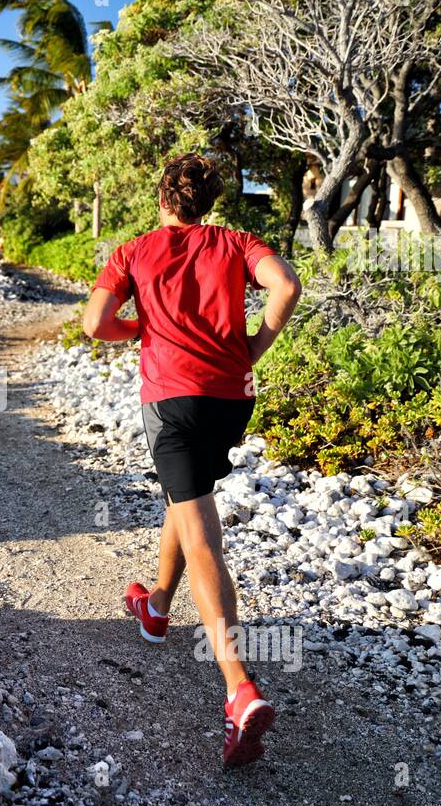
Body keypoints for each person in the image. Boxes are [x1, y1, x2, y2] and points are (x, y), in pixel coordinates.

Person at [81, 152, 302, 767]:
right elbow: (286, 285)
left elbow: (95, 322)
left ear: (162, 200)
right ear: (208, 202)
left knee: (204, 534)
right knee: (186, 496)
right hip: (231, 398)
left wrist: (144, 328)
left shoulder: (133, 251)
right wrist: (254, 343)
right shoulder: (236, 242)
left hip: (171, 400)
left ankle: (238, 689)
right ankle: (155, 607)